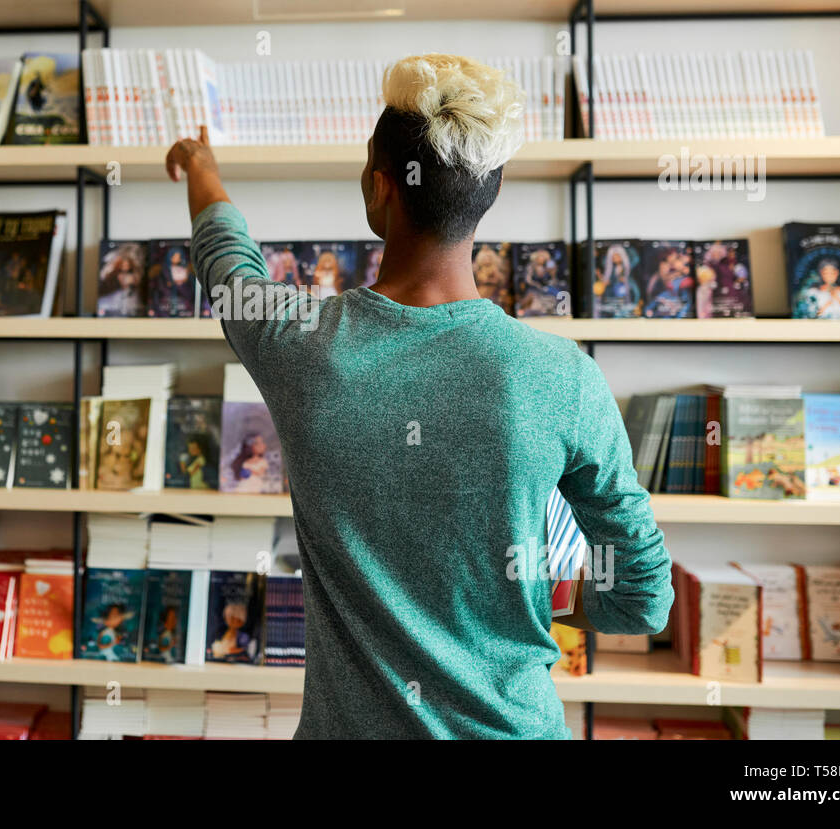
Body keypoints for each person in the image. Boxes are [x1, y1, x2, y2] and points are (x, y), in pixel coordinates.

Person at [166, 53, 673, 739]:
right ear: (485, 197)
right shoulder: (561, 376)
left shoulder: (300, 346)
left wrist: (202, 169)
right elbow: (643, 598)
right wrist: (530, 591)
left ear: (381, 187)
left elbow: (227, 267)